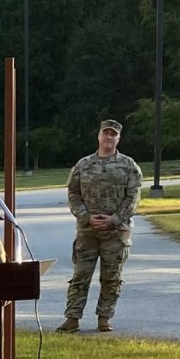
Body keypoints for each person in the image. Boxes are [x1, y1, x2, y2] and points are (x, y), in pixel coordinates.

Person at [57, 119, 142, 333]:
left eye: (113, 134)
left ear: (118, 138)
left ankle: (104, 318)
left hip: (116, 233)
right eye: (106, 133)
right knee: (80, 276)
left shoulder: (129, 166)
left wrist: (114, 219)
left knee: (111, 278)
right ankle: (72, 318)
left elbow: (133, 198)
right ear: (99, 136)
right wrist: (86, 217)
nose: (109, 137)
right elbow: (73, 195)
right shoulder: (83, 165)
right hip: (87, 232)